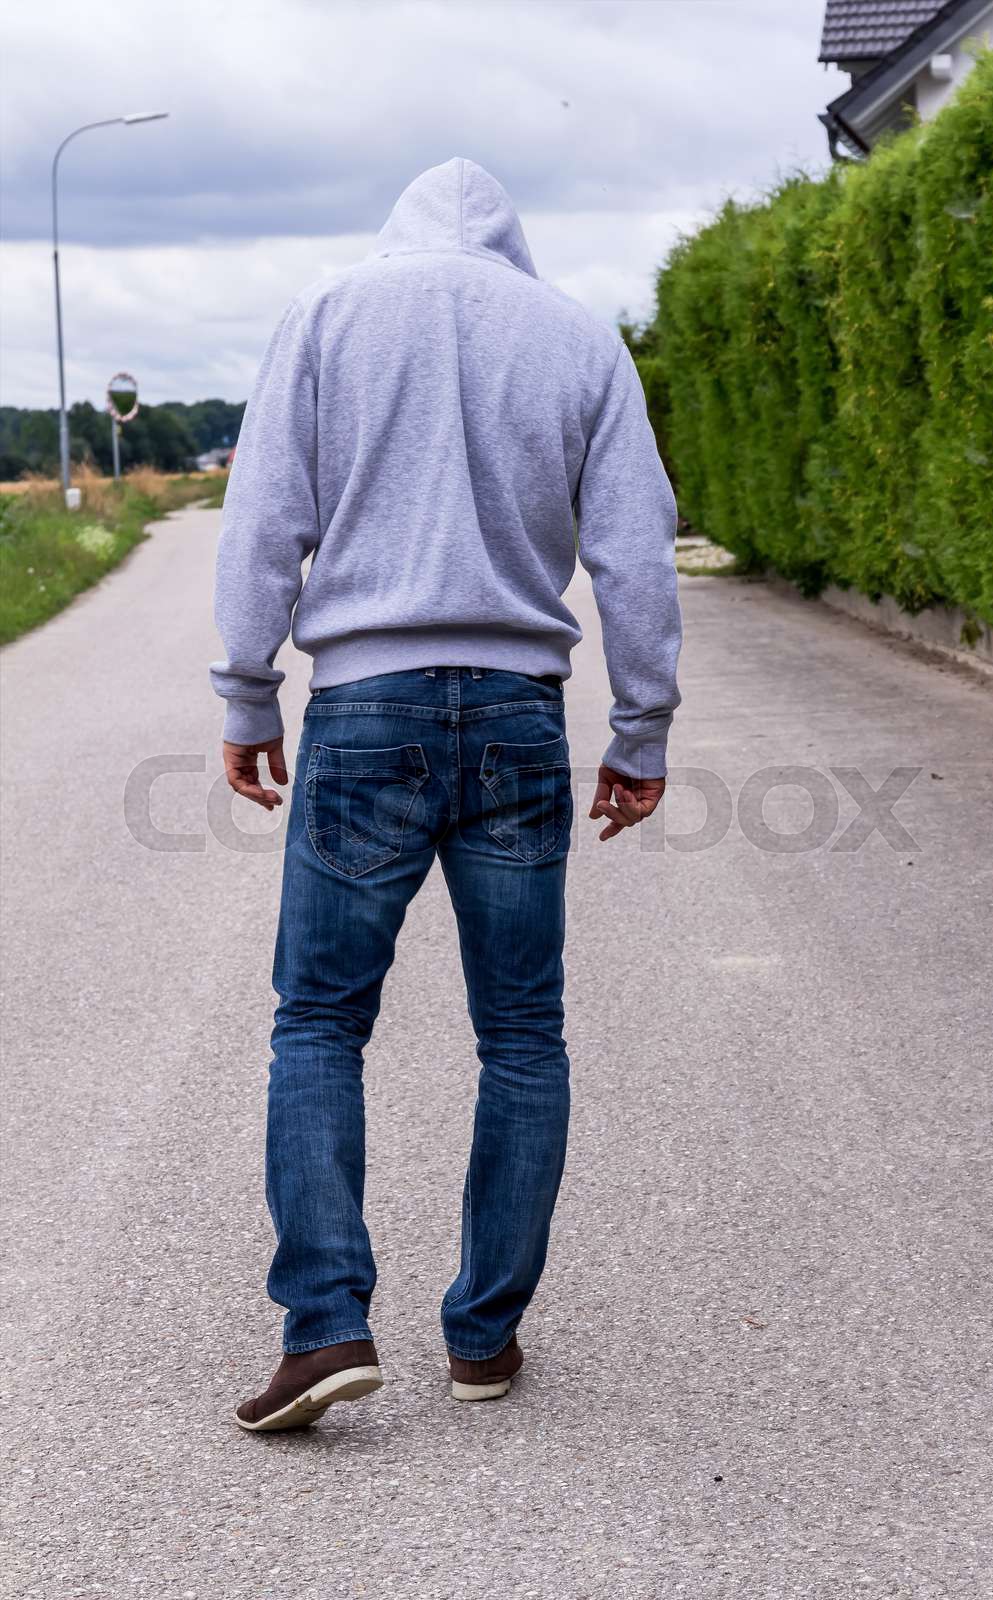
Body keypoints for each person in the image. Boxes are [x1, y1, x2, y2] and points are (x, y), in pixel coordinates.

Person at [211, 157, 682, 1431]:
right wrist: (639, 728)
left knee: (318, 1020)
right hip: (521, 716)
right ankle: (483, 1336)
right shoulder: (578, 338)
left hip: (364, 710)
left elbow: (263, 518)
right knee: (521, 1031)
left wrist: (248, 695)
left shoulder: (326, 314)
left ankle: (325, 1328)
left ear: (396, 228)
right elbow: (634, 550)